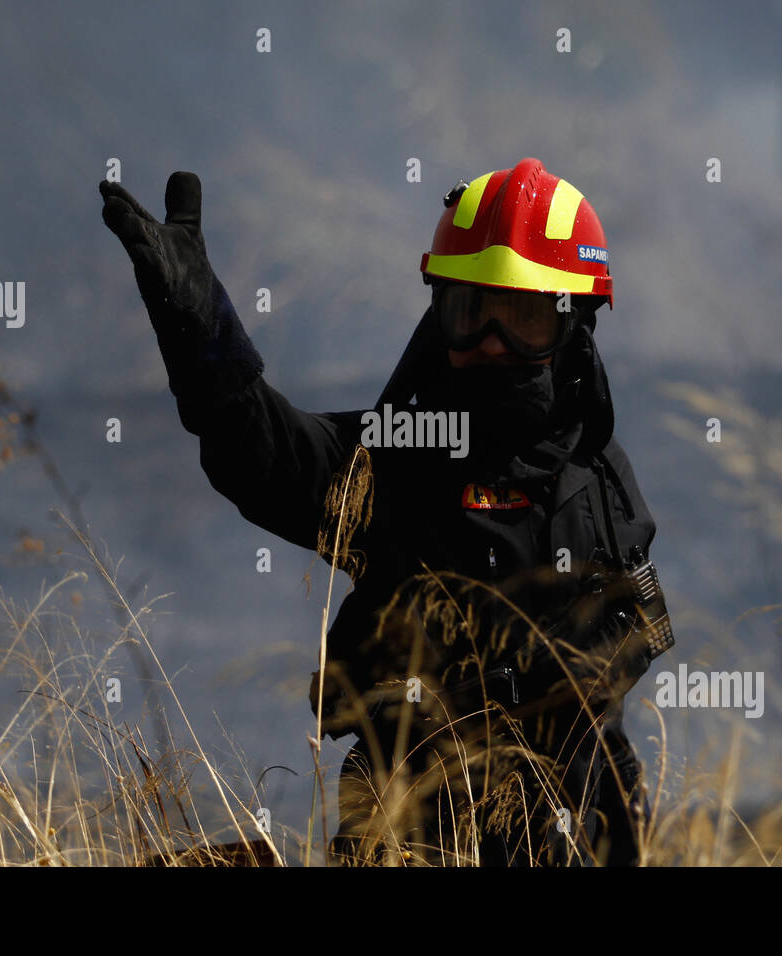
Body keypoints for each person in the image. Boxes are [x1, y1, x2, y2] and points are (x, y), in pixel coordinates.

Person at [100, 157, 676, 866]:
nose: (492, 339)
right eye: (472, 312)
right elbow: (265, 455)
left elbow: (609, 707)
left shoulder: (602, 479)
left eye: (523, 316)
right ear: (439, 315)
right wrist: (201, 336)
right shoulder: (395, 459)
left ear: (573, 325)